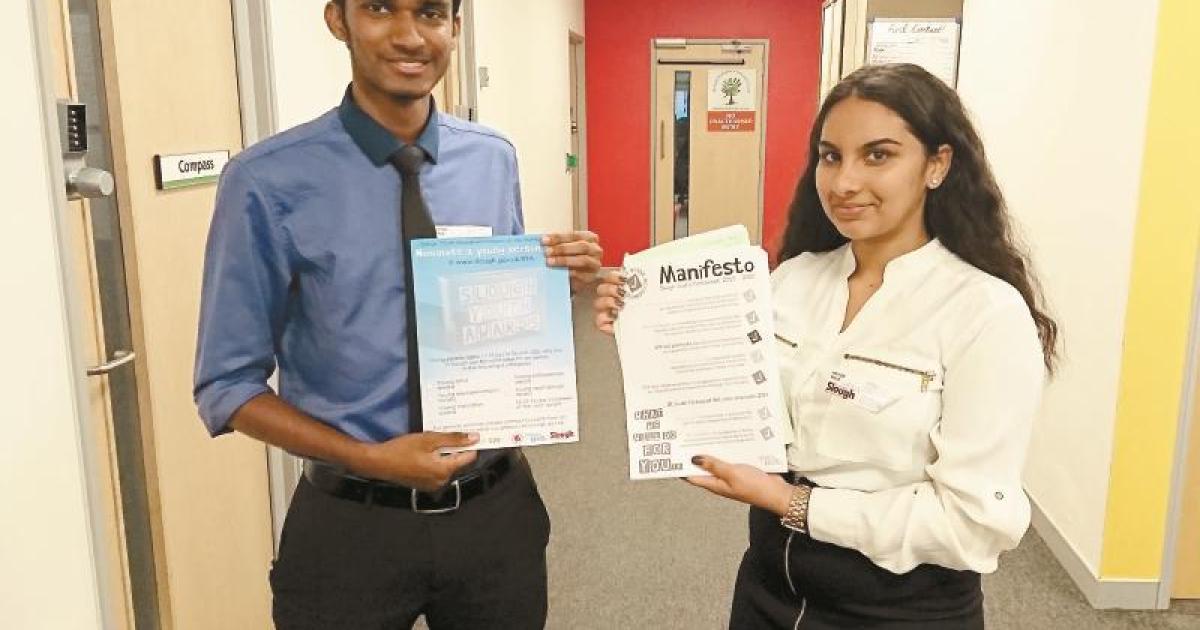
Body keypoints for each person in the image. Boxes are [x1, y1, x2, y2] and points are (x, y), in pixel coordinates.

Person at [594, 63, 1057, 629]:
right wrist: (647, 321)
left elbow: (973, 524)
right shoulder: (794, 280)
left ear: (937, 165)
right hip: (769, 585)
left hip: (899, 609)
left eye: (878, 155)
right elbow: (738, 398)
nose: (843, 182)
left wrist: (792, 504)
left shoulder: (985, 313)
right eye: (831, 155)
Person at [193, 1, 602, 628]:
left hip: (495, 514)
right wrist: (369, 459)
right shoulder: (266, 181)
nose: (410, 36)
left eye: (432, 12)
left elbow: (497, 307)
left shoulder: (492, 157)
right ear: (338, 20)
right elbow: (227, 387)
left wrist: (553, 282)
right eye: (381, 8)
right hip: (350, 528)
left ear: (455, 29)